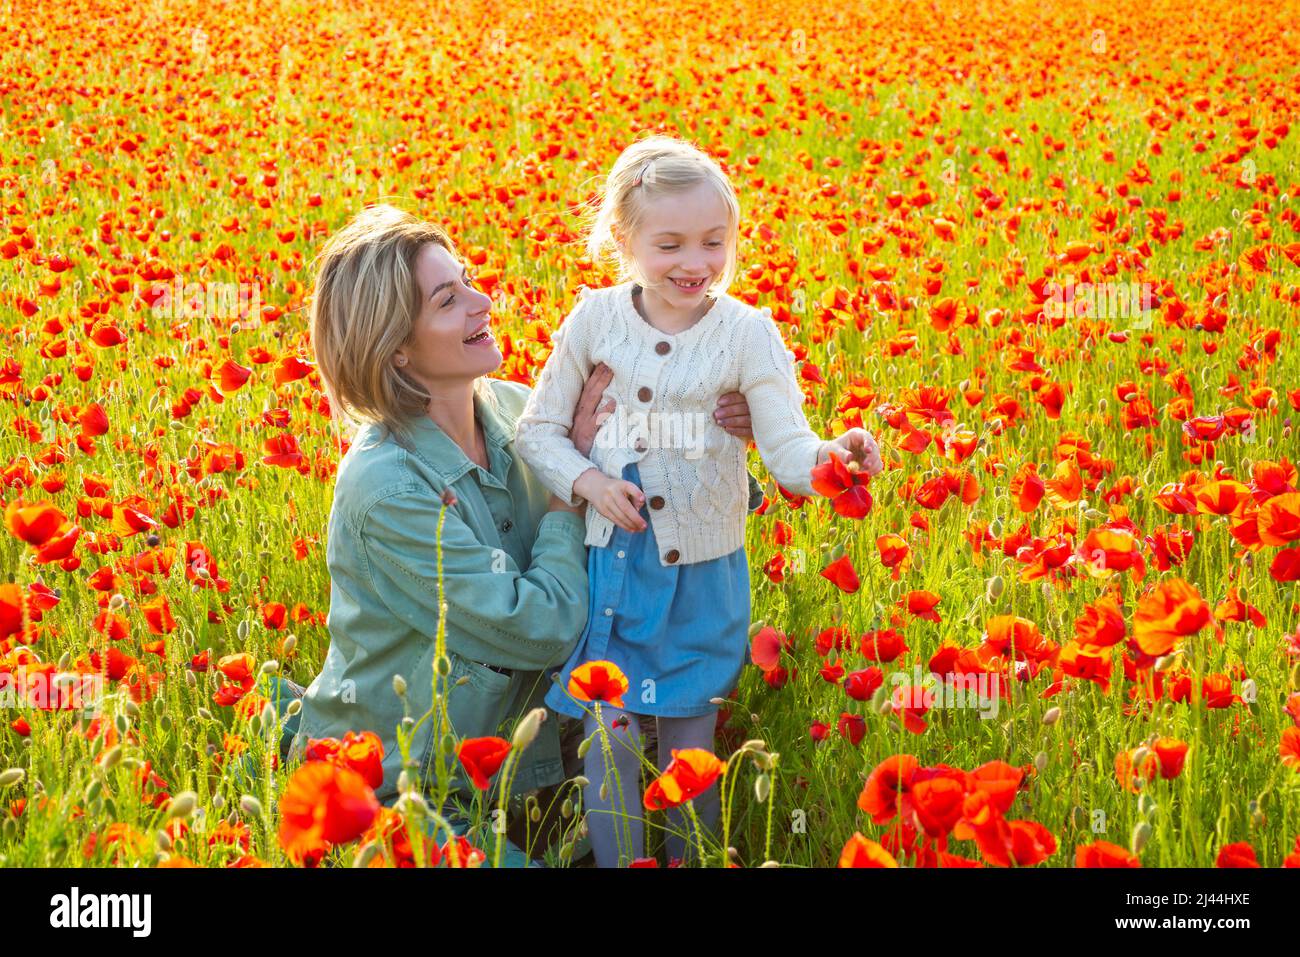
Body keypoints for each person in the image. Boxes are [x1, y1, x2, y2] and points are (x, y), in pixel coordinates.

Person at [272, 203, 758, 866]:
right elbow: (543, 626)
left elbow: (650, 487)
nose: (483, 301)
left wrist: (714, 435)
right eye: (450, 299)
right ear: (398, 349)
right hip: (407, 780)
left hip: (526, 761)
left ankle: (279, 715)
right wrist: (567, 489)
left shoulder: (511, 408)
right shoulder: (386, 488)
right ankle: (292, 737)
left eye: (468, 280)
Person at [514, 135, 885, 867]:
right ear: (624, 240)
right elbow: (538, 432)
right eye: (671, 244)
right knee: (609, 736)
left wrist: (835, 457)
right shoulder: (594, 320)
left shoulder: (748, 333)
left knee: (689, 747)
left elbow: (785, 448)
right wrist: (588, 482)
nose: (696, 263)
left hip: (704, 573)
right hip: (613, 568)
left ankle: (690, 859)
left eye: (715, 241)